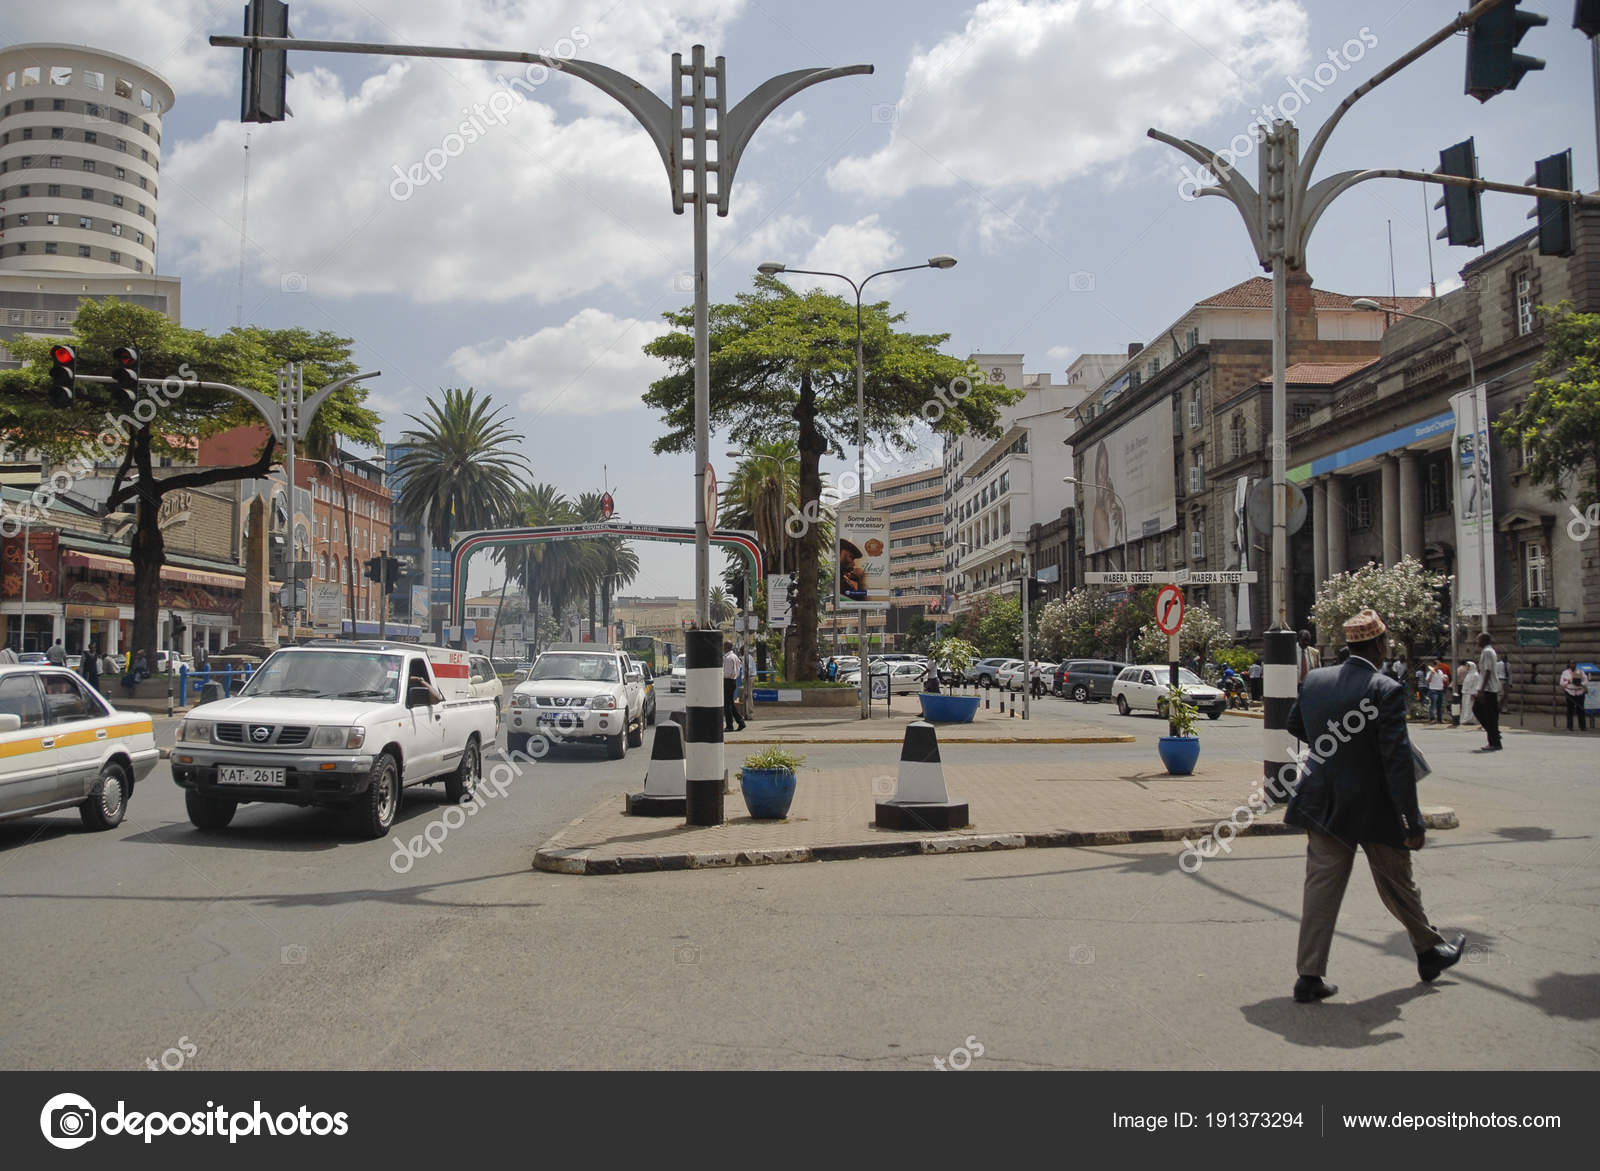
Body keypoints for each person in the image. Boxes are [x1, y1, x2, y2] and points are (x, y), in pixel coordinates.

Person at [1284, 607, 1464, 1004]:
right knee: (1398, 883)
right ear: (1380, 644)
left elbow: (1296, 725)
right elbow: (1398, 763)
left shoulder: (1316, 680)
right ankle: (1429, 950)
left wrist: (1332, 749)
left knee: (1321, 889)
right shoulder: (1384, 689)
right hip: (1375, 808)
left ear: (1351, 645)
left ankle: (1308, 976)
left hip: (1325, 802)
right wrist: (1412, 821)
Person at [1473, 631, 1502, 752]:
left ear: (1484, 640)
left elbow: (1488, 671)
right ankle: (1494, 734)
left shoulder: (1487, 652)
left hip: (1488, 689)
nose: (1476, 641)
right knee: (1488, 715)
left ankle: (1494, 739)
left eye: (1478, 639)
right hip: (1488, 688)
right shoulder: (1488, 651)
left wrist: (1482, 690)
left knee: (1484, 713)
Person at [722, 641, 746, 732]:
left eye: (724, 646)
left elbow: (727, 673)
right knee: (731, 704)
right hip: (733, 681)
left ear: (727, 647)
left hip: (728, 681)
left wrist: (720, 674)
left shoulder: (728, 658)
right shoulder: (735, 657)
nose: (723, 648)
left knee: (727, 705)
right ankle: (740, 722)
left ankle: (729, 726)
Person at [1560, 662, 1589, 732]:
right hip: (1570, 692)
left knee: (1581, 709)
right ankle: (1569, 727)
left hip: (1579, 692)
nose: (1573, 665)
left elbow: (1586, 680)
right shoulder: (1565, 672)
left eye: (1574, 663)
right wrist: (1569, 681)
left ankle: (1583, 727)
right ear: (1569, 664)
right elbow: (1561, 683)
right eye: (1571, 663)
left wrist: (1580, 683)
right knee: (1570, 710)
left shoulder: (1580, 672)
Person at [1459, 661, 1480, 726]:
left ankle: (1470, 720)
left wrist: (1474, 694)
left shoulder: (1475, 675)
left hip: (1471, 694)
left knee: (1470, 707)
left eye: (1468, 666)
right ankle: (1465, 719)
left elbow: (1476, 685)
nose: (1466, 667)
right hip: (1465, 693)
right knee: (1465, 707)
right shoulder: (1469, 674)